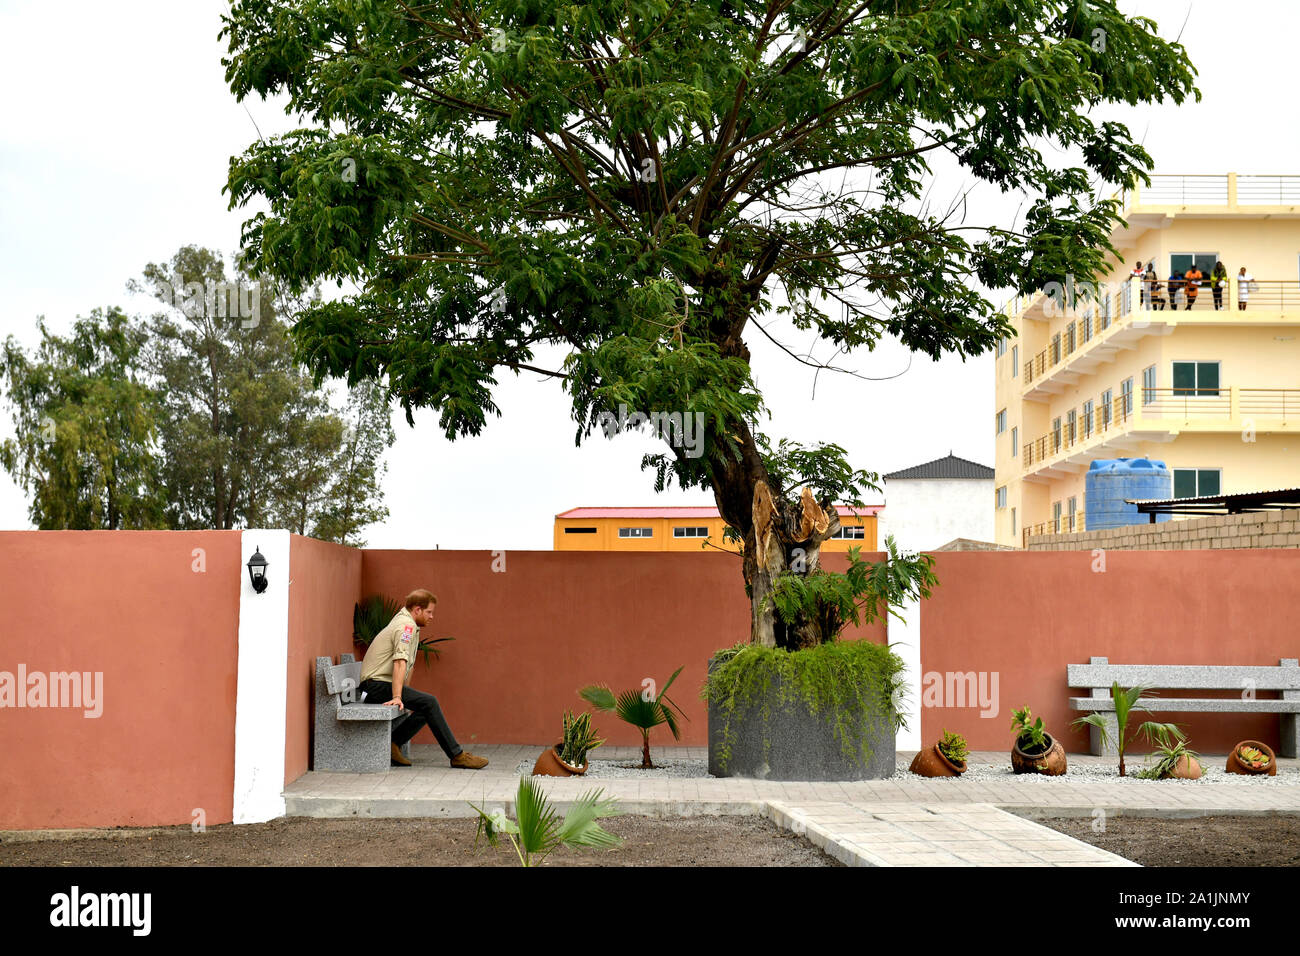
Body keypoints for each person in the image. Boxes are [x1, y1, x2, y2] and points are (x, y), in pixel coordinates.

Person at [358, 589, 489, 769]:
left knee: (426, 705)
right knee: (429, 702)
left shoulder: (407, 623)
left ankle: (393, 744)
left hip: (377, 685)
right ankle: (457, 756)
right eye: (429, 612)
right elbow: (399, 663)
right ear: (417, 610)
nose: (432, 616)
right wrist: (398, 696)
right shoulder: (406, 626)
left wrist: (405, 694)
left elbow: (407, 666)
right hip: (374, 687)